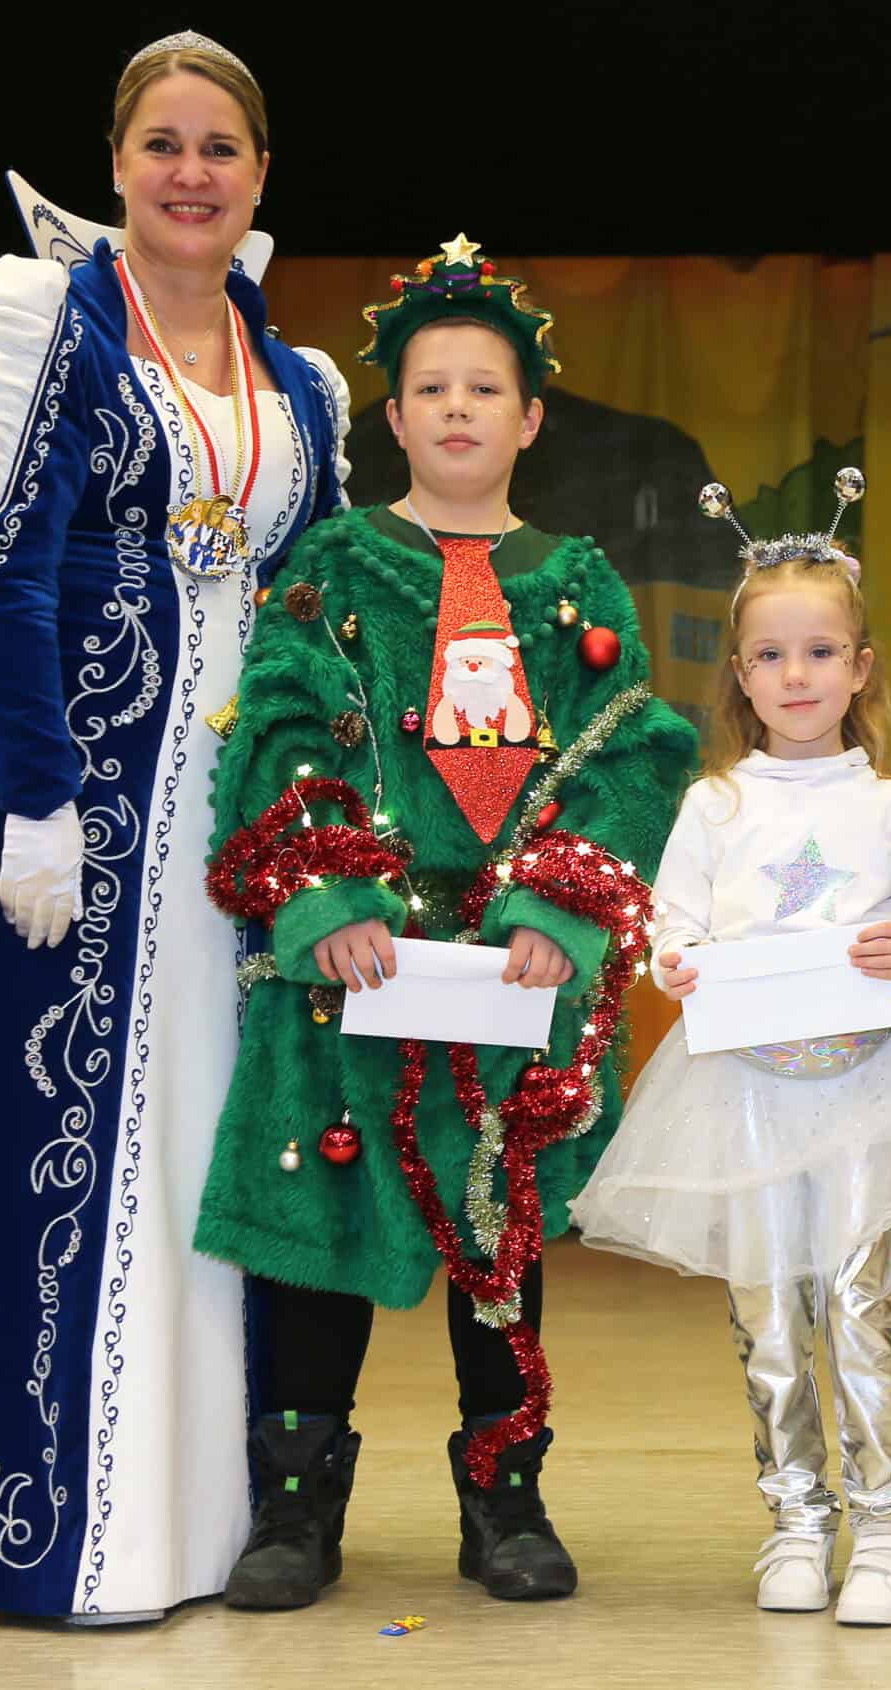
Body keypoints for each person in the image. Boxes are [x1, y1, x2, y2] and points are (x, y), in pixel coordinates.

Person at [0, 31, 350, 1621]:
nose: (194, 173)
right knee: (47, 1135)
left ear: (260, 173)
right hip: (69, 800)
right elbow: (6, 571)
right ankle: (38, 1517)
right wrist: (40, 799)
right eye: (165, 144)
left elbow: (313, 599)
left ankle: (206, 1516)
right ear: (116, 164)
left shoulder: (300, 376)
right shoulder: (32, 321)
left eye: (223, 148)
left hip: (235, 814)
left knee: (207, 1128)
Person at [194, 237, 699, 1613]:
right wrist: (332, 894)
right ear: (395, 414)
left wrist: (556, 905)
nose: (461, 408)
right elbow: (285, 723)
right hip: (354, 971)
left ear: (531, 418)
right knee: (319, 1218)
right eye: (433, 388)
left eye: (489, 387)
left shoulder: (579, 580)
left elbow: (623, 751)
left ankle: (506, 1493)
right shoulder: (335, 565)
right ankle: (296, 1510)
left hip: (502, 976)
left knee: (501, 1235)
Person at [570, 477, 891, 1626]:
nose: (798, 674)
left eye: (822, 650)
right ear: (742, 674)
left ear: (861, 666)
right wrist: (675, 959)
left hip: (865, 1086)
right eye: (773, 655)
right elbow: (670, 925)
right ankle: (795, 1516)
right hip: (746, 1092)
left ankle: (886, 1525)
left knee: (862, 1303)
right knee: (766, 1313)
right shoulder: (714, 803)